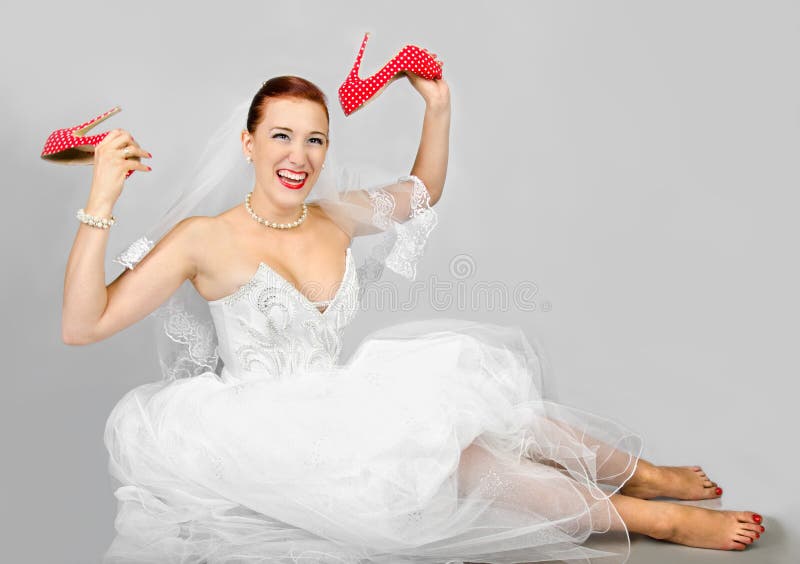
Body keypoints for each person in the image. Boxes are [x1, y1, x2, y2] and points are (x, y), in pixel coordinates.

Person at [62, 69, 764, 563]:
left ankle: (639, 473)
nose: (298, 156)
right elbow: (83, 325)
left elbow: (421, 191)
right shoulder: (203, 237)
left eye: (315, 140)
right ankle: (656, 518)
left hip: (336, 395)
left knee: (488, 403)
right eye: (280, 136)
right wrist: (101, 198)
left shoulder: (333, 216)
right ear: (249, 145)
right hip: (263, 427)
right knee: (463, 456)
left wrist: (438, 109)